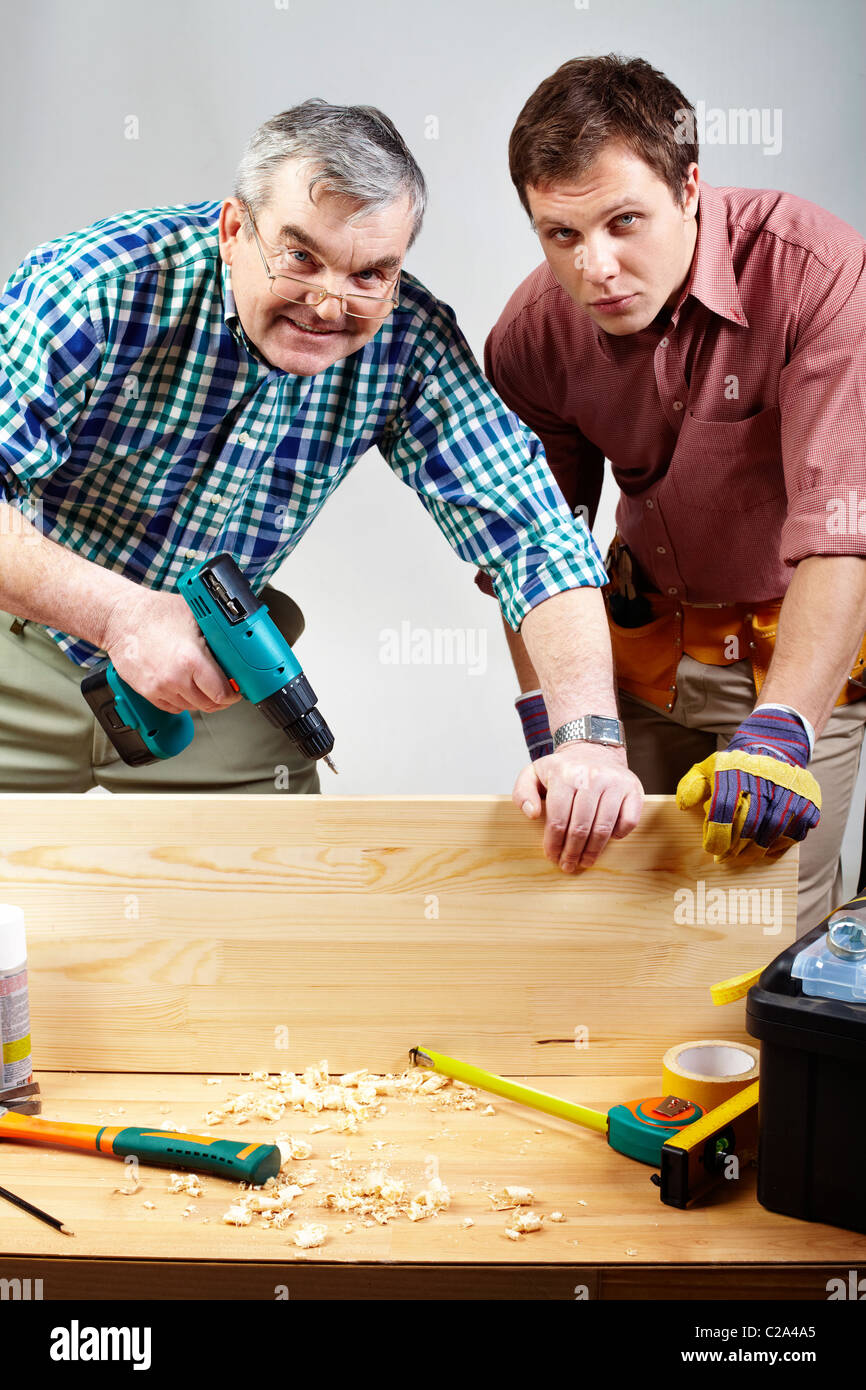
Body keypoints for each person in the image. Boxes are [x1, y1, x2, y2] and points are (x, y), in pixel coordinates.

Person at [0, 98, 642, 871]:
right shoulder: (99, 286)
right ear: (237, 230)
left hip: (210, 677)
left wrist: (586, 741)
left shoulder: (408, 344)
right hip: (21, 640)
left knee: (277, 917)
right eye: (301, 257)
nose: (329, 304)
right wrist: (123, 616)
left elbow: (533, 533)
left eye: (370, 272)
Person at [480, 55, 866, 934]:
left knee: (768, 930)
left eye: (625, 222)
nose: (596, 268)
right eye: (561, 235)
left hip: (791, 654)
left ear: (689, 186)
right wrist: (560, 733)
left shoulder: (820, 274)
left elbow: (843, 535)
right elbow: (529, 551)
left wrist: (784, 731)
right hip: (637, 654)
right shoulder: (532, 339)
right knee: (626, 917)